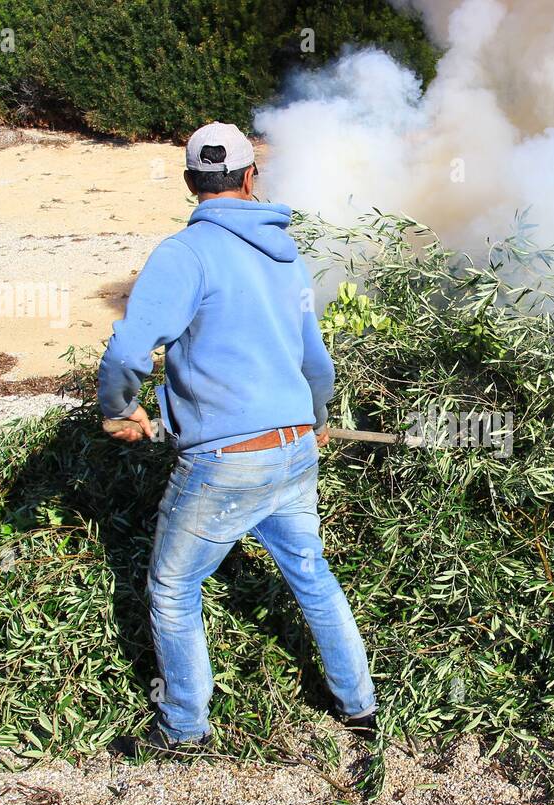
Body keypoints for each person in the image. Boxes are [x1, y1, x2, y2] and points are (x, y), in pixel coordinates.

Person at [97, 122, 376, 754]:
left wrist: (119, 410)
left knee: (171, 587)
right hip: (294, 449)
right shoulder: (288, 258)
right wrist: (316, 416)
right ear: (252, 178)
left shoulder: (184, 254)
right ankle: (358, 707)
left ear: (191, 183)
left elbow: (127, 352)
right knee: (311, 572)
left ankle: (184, 728)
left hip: (226, 461)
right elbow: (317, 363)